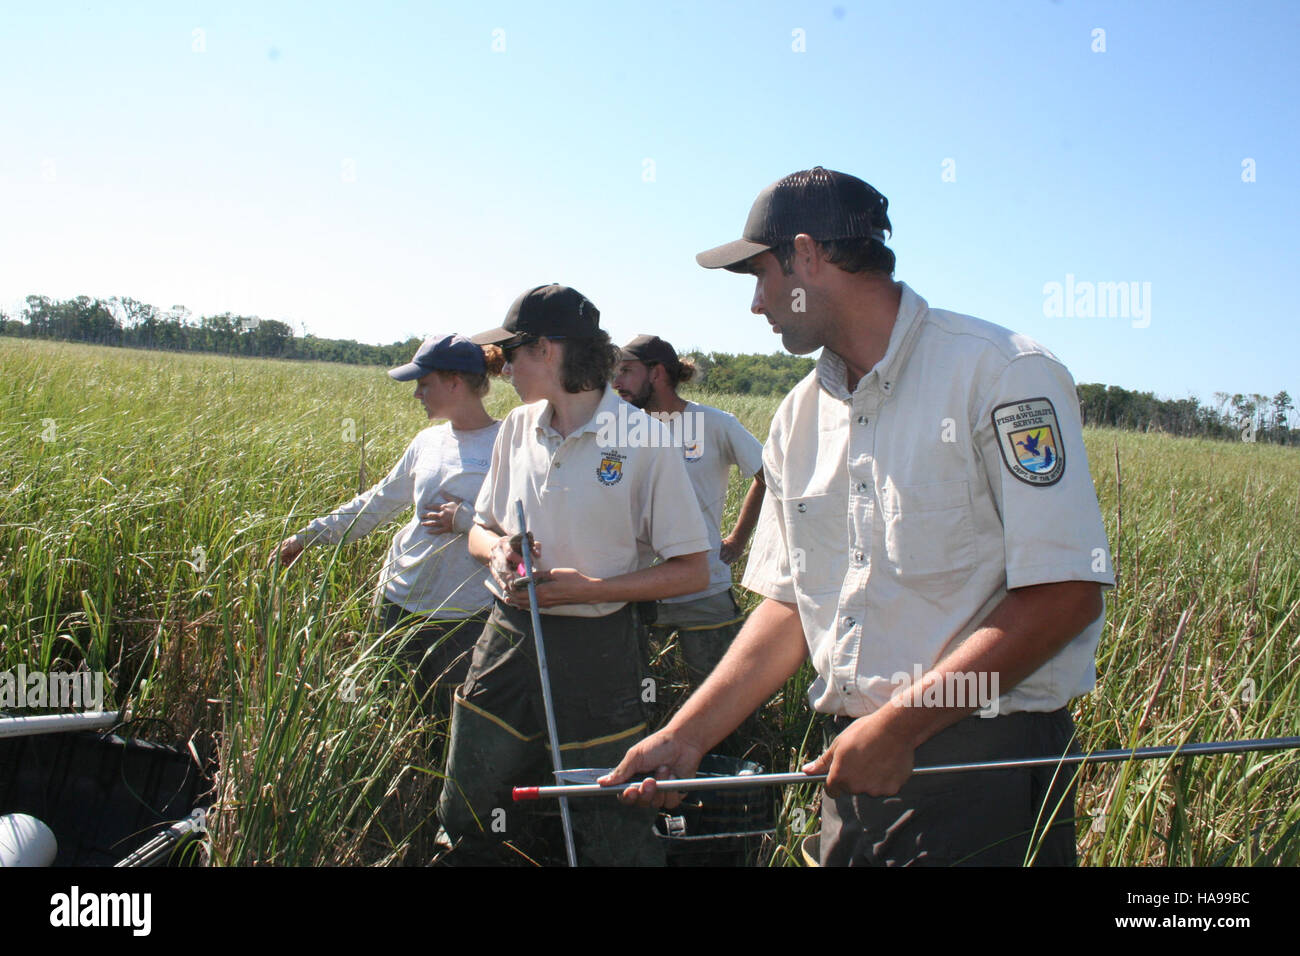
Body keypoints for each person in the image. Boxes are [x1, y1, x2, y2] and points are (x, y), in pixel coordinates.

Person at [604, 166, 1116, 866]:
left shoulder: (1001, 374)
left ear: (808, 257)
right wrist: (687, 736)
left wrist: (902, 729)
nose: (757, 304)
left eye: (760, 275)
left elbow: (1066, 594)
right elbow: (789, 606)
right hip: (852, 762)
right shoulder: (797, 418)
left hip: (979, 759)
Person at [433, 284, 711, 866]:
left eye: (512, 353)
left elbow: (691, 571)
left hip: (599, 652)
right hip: (507, 637)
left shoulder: (643, 440)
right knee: (470, 791)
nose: (504, 368)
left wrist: (595, 590)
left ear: (549, 350)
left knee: (610, 810)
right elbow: (481, 529)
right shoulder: (517, 427)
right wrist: (499, 551)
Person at [273, 333, 505, 717]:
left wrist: (464, 522)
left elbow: (523, 530)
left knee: (448, 719)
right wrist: (307, 537)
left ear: (454, 382)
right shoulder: (427, 442)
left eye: (424, 383)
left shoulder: (505, 443)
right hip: (398, 601)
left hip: (463, 617)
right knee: (387, 710)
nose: (417, 394)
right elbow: (377, 502)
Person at [612, 335, 765, 725]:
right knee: (641, 701)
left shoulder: (714, 424)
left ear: (657, 373)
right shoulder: (620, 429)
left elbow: (767, 476)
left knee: (718, 705)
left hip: (704, 591)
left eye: (627, 371)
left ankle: (722, 780)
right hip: (636, 589)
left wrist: (738, 539)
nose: (617, 382)